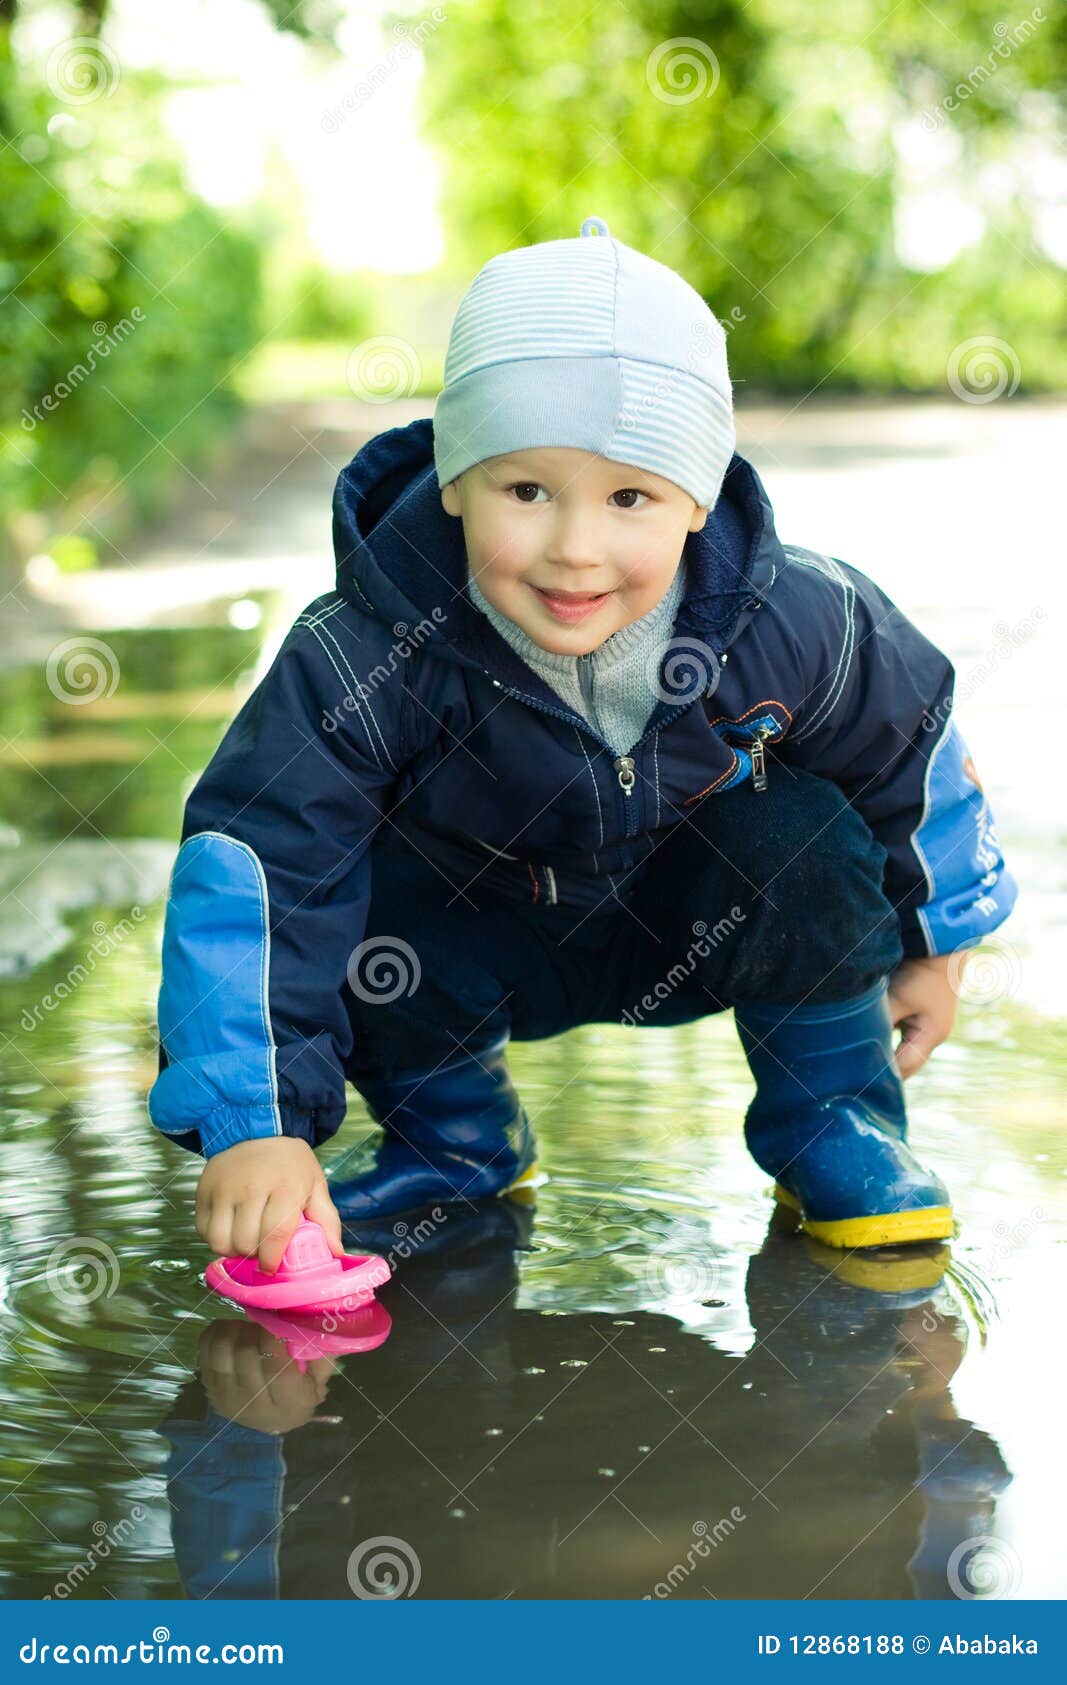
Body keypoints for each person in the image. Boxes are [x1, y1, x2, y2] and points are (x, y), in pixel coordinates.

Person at [146, 215, 1016, 1272]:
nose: (574, 547)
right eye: (525, 490)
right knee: (355, 872)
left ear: (695, 499)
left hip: (689, 917)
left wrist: (938, 940)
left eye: (629, 497)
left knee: (803, 829)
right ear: (454, 476)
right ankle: (452, 1134)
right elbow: (262, 867)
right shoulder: (366, 652)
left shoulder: (801, 618)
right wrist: (257, 1122)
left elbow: (910, 753)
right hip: (475, 936)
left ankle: (834, 1120)